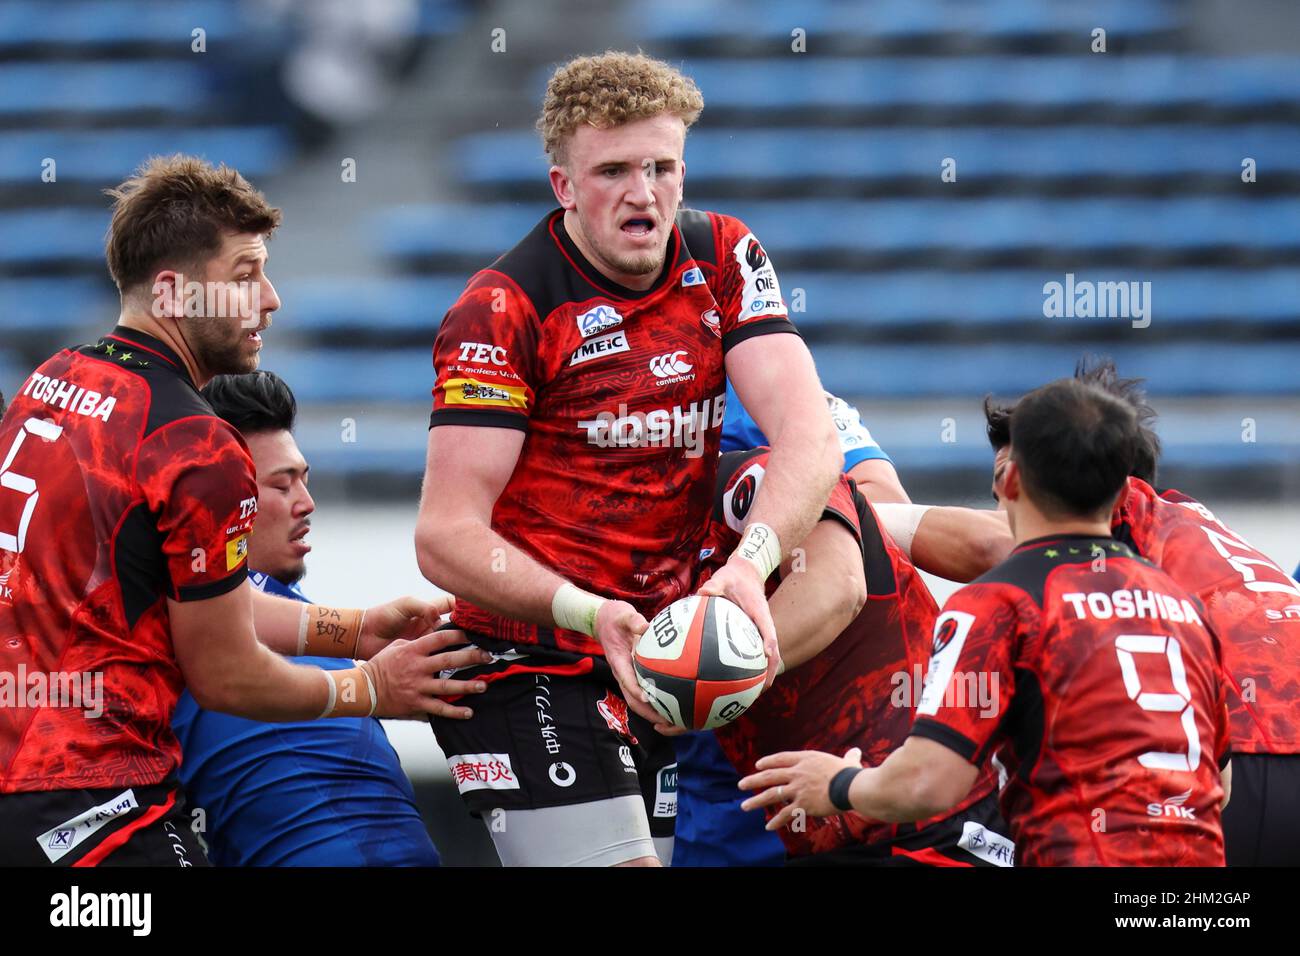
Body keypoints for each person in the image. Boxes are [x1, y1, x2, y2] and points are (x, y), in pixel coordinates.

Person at [414, 52, 842, 867]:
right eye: (613, 170)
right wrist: (586, 610)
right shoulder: (503, 308)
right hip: (524, 659)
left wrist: (751, 564)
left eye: (662, 167)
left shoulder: (722, 255)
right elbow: (443, 537)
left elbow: (810, 435)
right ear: (563, 187)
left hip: (651, 661)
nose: (644, 194)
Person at [0, 155, 486, 866]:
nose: (271, 299)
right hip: (96, 802)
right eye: (244, 276)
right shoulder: (195, 445)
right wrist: (372, 688)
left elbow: (169, 601)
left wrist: (352, 630)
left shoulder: (51, 380)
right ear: (172, 292)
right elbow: (227, 674)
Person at [741, 379, 1233, 866]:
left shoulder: (1000, 602)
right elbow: (1220, 784)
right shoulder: (1182, 604)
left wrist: (838, 785)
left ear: (1008, 479)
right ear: (1124, 489)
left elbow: (929, 782)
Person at [986, 358, 1300, 865]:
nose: (1003, 500)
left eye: (1012, 478)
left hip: (1253, 751)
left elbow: (986, 544)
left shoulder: (1109, 514)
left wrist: (860, 516)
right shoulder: (1196, 530)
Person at [674, 389, 1007, 867]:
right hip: (708, 769)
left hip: (835, 759)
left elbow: (871, 517)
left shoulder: (768, 387)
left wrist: (777, 520)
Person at [172, 371, 441, 866]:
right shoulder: (173, 613)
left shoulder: (301, 616)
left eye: (305, 478)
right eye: (282, 484)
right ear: (227, 499)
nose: (307, 503)